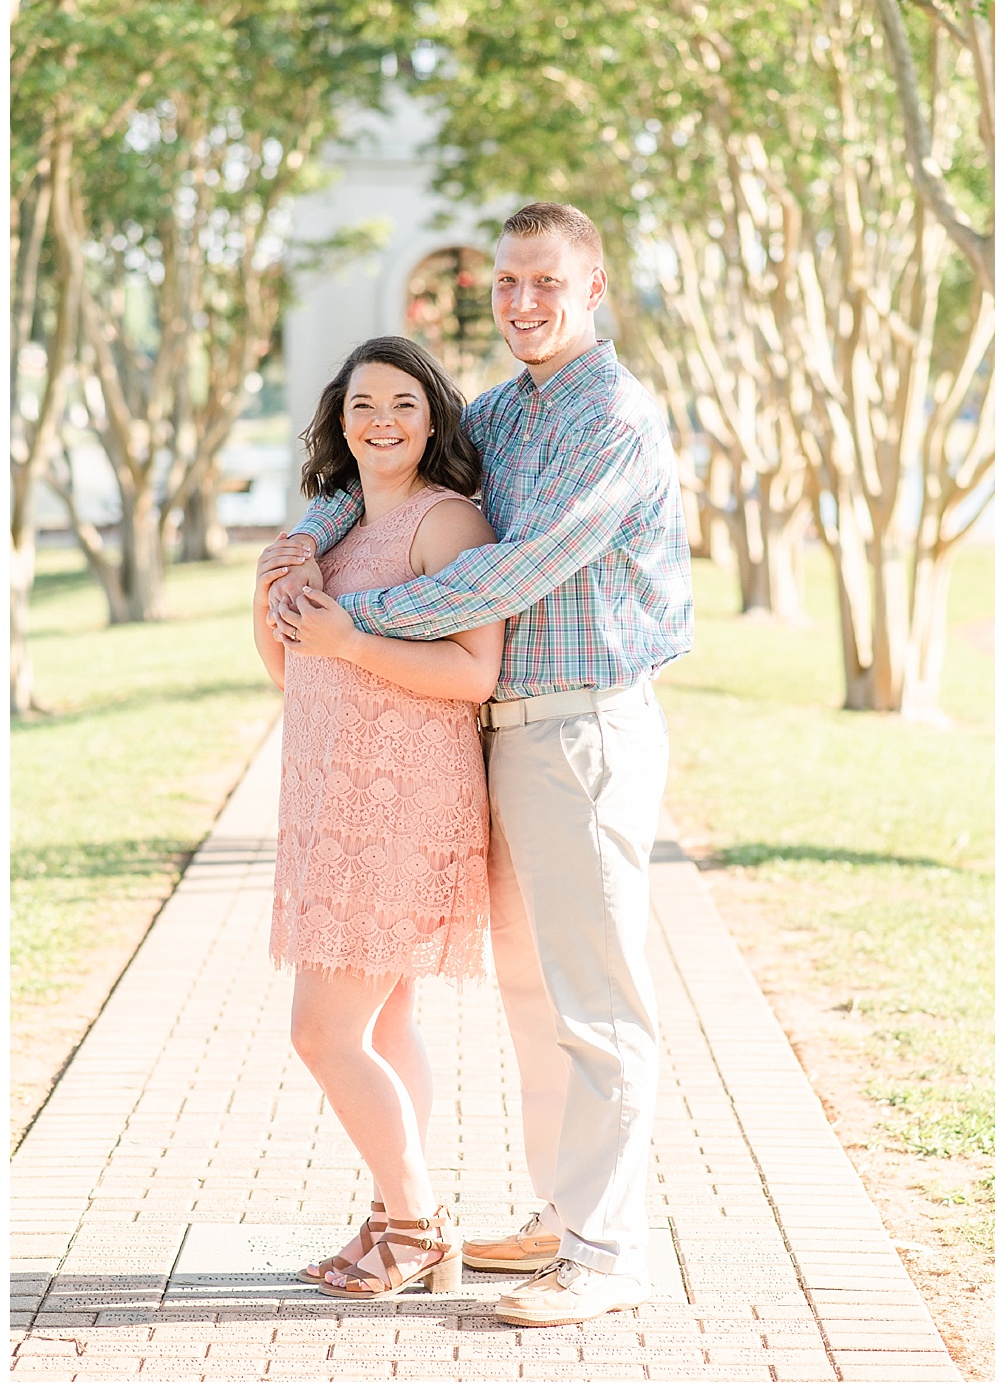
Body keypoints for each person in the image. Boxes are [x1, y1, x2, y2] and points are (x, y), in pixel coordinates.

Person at [265, 201, 692, 1328]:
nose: (522, 301)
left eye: (546, 281)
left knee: (598, 999)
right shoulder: (501, 413)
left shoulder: (615, 418)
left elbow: (519, 566)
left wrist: (354, 623)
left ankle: (609, 1252)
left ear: (593, 287)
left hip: (584, 727)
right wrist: (309, 537)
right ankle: (562, 1215)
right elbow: (382, 471)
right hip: (503, 734)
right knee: (533, 993)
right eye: (507, 281)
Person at [253, 335, 499, 1299]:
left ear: (432, 419)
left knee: (322, 1033)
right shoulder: (337, 530)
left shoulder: (449, 524)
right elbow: (291, 669)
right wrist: (270, 594)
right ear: (340, 421)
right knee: (385, 1022)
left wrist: (348, 638)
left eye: (403, 403)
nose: (381, 421)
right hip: (330, 801)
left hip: (404, 805)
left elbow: (473, 673)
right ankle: (395, 1213)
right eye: (362, 405)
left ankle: (420, 1226)